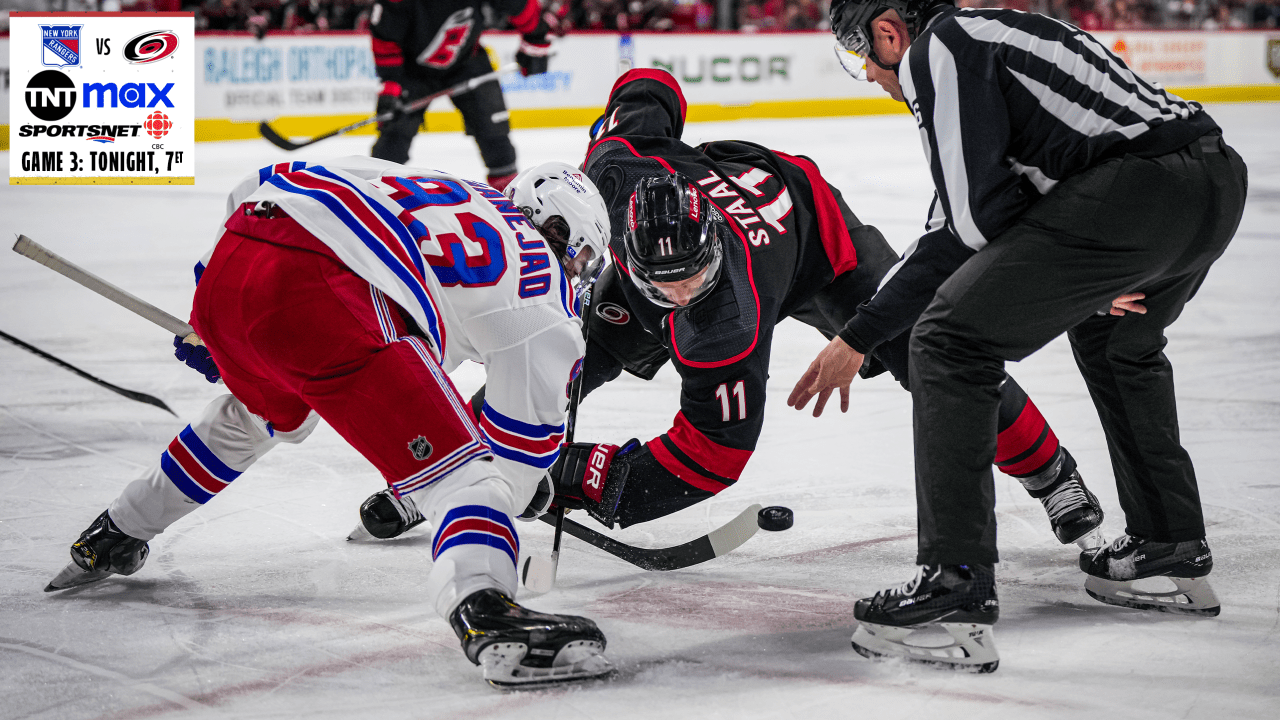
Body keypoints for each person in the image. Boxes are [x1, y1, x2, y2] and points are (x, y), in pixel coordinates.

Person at [450, 69, 1105, 550]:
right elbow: (649, 87)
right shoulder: (615, 169)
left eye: (694, 280)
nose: (683, 295)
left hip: (821, 248)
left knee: (930, 350)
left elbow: (708, 459)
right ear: (621, 245)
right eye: (665, 286)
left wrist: (574, 480)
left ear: (713, 253)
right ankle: (454, 461)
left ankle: (1052, 473)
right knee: (571, 351)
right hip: (718, 213)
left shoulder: (725, 320)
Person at [45, 158, 616, 687]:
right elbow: (515, 456)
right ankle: (488, 611)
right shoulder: (544, 284)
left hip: (242, 252)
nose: (583, 273)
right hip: (331, 292)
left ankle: (119, 530)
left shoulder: (453, 190)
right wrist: (525, 487)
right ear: (563, 235)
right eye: (586, 256)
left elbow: (272, 178)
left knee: (258, 418)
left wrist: (214, 304)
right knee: (469, 479)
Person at [800, 0, 1248, 671]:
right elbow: (961, 221)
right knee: (1117, 342)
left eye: (860, 54)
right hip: (1210, 183)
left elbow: (972, 226)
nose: (867, 74)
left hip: (1138, 193)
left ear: (889, 32)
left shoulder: (940, 49)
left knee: (947, 342)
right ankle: (1169, 546)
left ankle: (956, 589)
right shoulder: (995, 35)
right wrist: (1107, 259)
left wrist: (858, 336)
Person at [369, 0, 562, 191]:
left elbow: (518, 5)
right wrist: (391, 82)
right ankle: (373, 194)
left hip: (467, 61)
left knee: (495, 136)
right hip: (410, 71)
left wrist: (536, 38)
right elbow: (384, 37)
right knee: (394, 138)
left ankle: (511, 199)